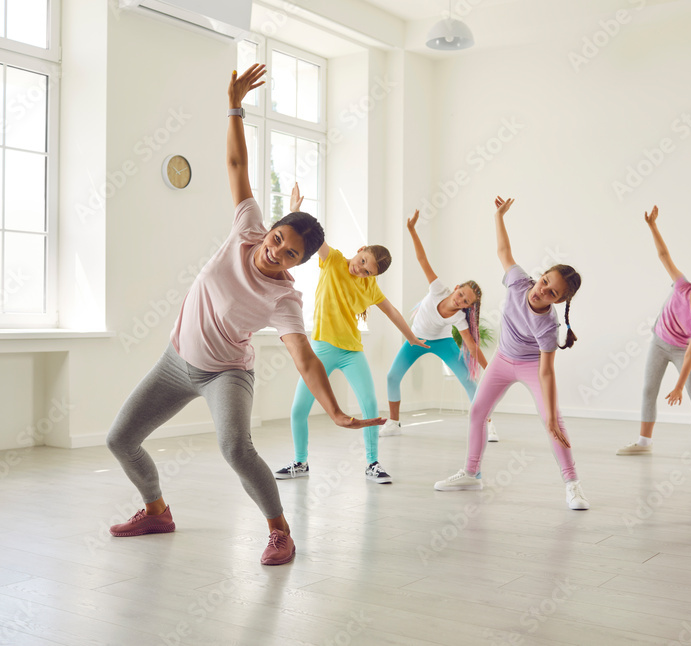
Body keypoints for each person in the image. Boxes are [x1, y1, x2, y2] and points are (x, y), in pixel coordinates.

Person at [105, 64, 382, 566]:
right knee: (120, 439)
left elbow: (304, 360)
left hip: (226, 374)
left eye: (290, 253)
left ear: (300, 263)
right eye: (279, 238)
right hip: (174, 361)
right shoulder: (247, 227)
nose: (276, 251)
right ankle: (156, 511)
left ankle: (280, 532)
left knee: (236, 448)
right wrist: (234, 106)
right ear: (271, 227)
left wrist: (336, 411)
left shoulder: (285, 299)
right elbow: (237, 166)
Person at [434, 197, 590, 510]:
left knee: (553, 421)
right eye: (545, 281)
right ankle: (471, 472)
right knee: (477, 411)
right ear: (541, 274)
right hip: (503, 360)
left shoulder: (547, 325)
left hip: (531, 365)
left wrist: (550, 414)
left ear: (558, 300)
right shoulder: (519, 282)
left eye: (552, 292)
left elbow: (546, 372)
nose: (543, 290)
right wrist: (498, 216)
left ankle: (573, 485)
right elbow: (503, 251)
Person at [275, 187, 428, 485]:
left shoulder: (370, 288)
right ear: (360, 250)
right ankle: (300, 462)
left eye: (367, 272)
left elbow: (393, 312)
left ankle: (373, 463)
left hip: (351, 353)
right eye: (362, 262)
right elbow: (311, 239)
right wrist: (293, 211)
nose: (360, 271)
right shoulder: (332, 261)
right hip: (319, 348)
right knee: (298, 409)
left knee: (370, 406)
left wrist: (411, 337)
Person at [617, 206, 691, 459]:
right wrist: (652, 226)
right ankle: (644, 441)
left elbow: (690, 355)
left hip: (681, 351)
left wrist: (679, 386)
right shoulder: (682, 285)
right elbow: (663, 255)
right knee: (649, 389)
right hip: (659, 343)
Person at [380, 209, 497, 441]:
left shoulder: (459, 318)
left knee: (468, 381)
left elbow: (471, 346)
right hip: (416, 339)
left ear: (467, 307)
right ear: (456, 288)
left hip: (442, 343)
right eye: (461, 293)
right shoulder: (437, 289)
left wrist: (490, 369)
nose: (460, 300)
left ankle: (488, 425)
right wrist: (412, 230)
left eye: (466, 301)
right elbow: (422, 259)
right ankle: (393, 422)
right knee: (392, 377)